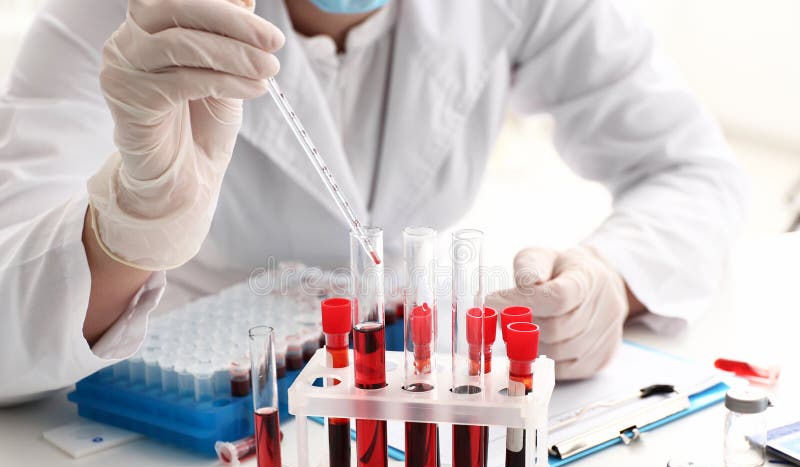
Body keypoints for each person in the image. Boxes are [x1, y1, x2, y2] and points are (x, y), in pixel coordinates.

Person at [0, 0, 747, 405]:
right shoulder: (114, 15)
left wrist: (611, 280)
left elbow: (692, 170)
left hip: (402, 388)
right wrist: (131, 229)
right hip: (190, 402)